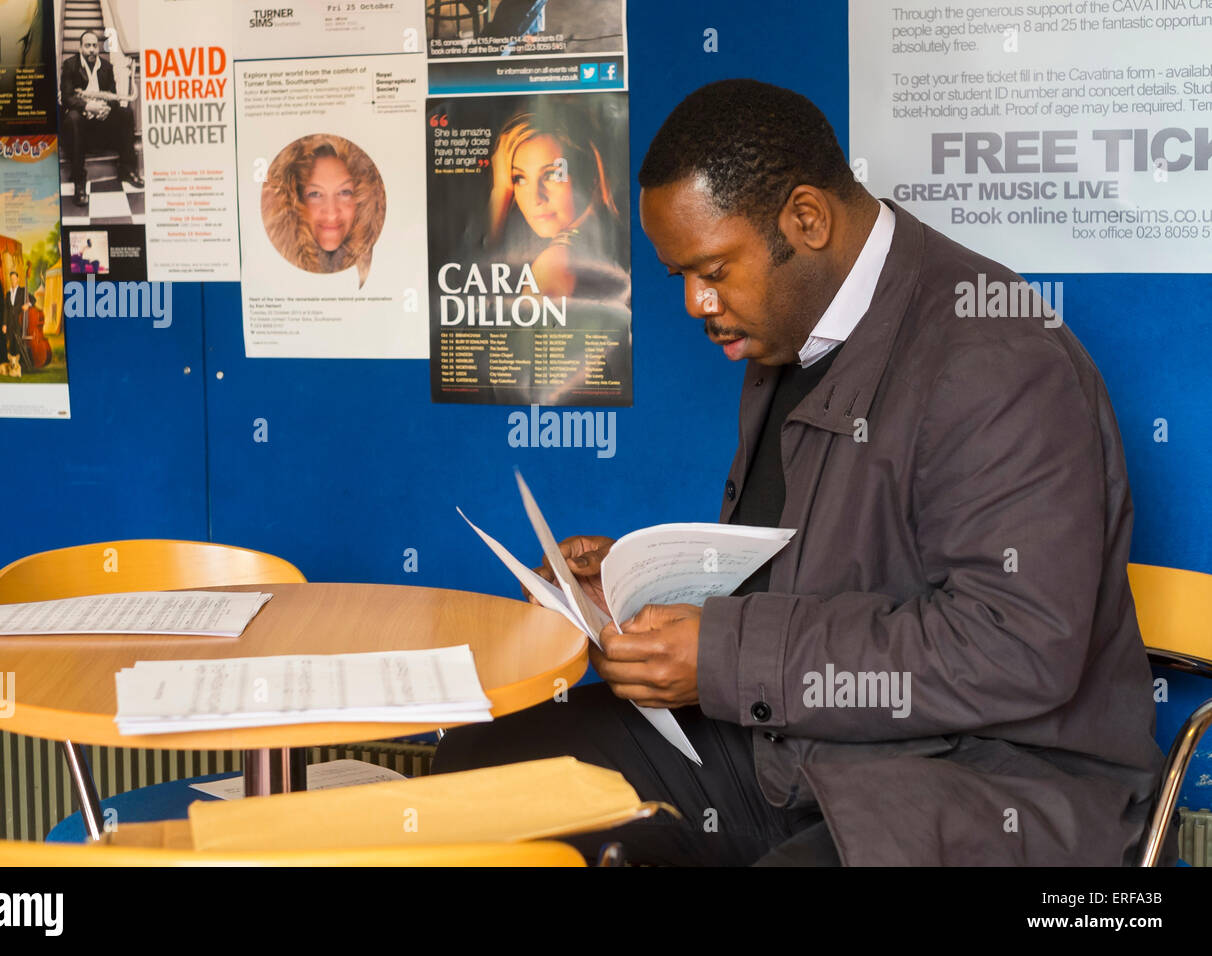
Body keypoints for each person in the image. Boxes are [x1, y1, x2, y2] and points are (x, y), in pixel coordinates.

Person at [434, 80, 1169, 867]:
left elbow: (1016, 648)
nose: (693, 301)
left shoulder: (997, 361)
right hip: (804, 748)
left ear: (807, 219)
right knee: (473, 779)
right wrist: (641, 602)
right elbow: (826, 578)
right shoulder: (791, 328)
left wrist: (720, 655)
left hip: (987, 789)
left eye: (712, 267)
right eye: (678, 274)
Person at [487, 105, 626, 303]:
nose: (535, 197)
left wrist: (499, 201)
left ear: (591, 177)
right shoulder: (604, 241)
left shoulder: (551, 265)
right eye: (519, 178)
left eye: (551, 174)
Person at [260, 134, 385, 285]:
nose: (332, 213)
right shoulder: (272, 276)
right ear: (295, 200)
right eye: (315, 194)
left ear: (364, 199)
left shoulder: (383, 269)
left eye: (345, 192)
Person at [60, 29, 143, 206]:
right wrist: (88, 106)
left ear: (98, 48)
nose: (91, 50)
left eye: (94, 46)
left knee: (125, 112)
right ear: (80, 47)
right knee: (73, 118)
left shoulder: (106, 67)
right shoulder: (69, 65)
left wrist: (105, 109)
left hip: (101, 127)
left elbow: (111, 95)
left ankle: (126, 169)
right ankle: (79, 180)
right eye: (87, 45)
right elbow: (67, 97)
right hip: (80, 126)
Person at [2, 270, 29, 368]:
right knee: (10, 344)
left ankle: (20, 365)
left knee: (19, 344)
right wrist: (4, 324)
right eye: (11, 279)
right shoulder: (8, 294)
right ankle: (11, 366)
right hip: (9, 323)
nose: (13, 280)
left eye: (14, 278)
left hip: (19, 321)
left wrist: (27, 304)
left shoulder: (23, 291)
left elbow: (33, 299)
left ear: (17, 279)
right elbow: (6, 310)